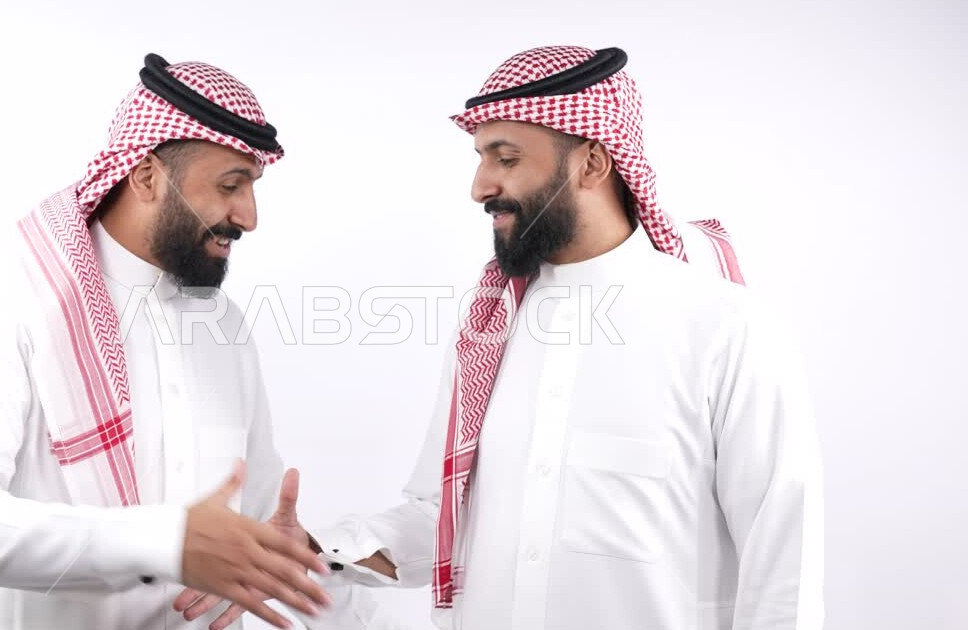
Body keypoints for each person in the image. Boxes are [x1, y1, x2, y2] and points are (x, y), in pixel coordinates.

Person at [179, 45, 825, 630]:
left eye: (506, 158)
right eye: (482, 158)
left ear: (594, 162)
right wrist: (323, 552)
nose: (480, 186)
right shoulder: (490, 325)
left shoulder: (727, 331)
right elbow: (447, 517)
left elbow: (783, 579)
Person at [0, 53, 331, 630]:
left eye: (252, 187)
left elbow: (249, 509)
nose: (249, 216)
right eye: (231, 185)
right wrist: (164, 540)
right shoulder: (5, 301)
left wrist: (268, 554)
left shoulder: (223, 325)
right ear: (147, 176)